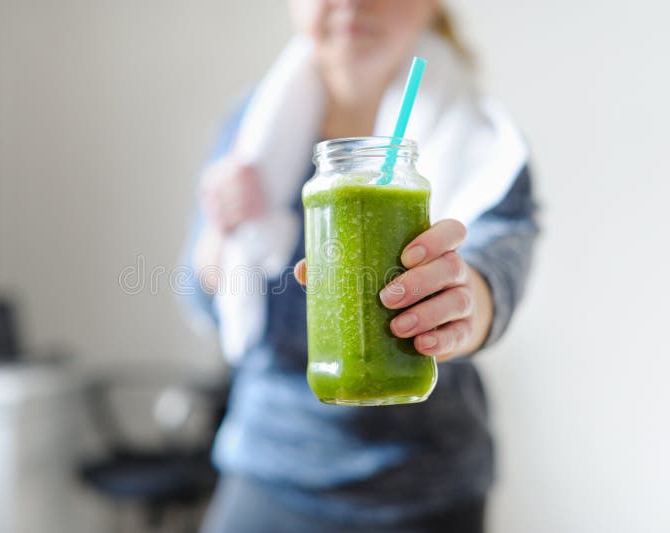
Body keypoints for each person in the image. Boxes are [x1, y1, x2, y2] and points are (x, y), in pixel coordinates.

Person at [180, 1, 538, 532]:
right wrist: (223, 232)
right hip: (268, 472)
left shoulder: (480, 137)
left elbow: (498, 260)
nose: (349, 3)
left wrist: (463, 301)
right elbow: (202, 297)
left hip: (424, 490)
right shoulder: (253, 124)